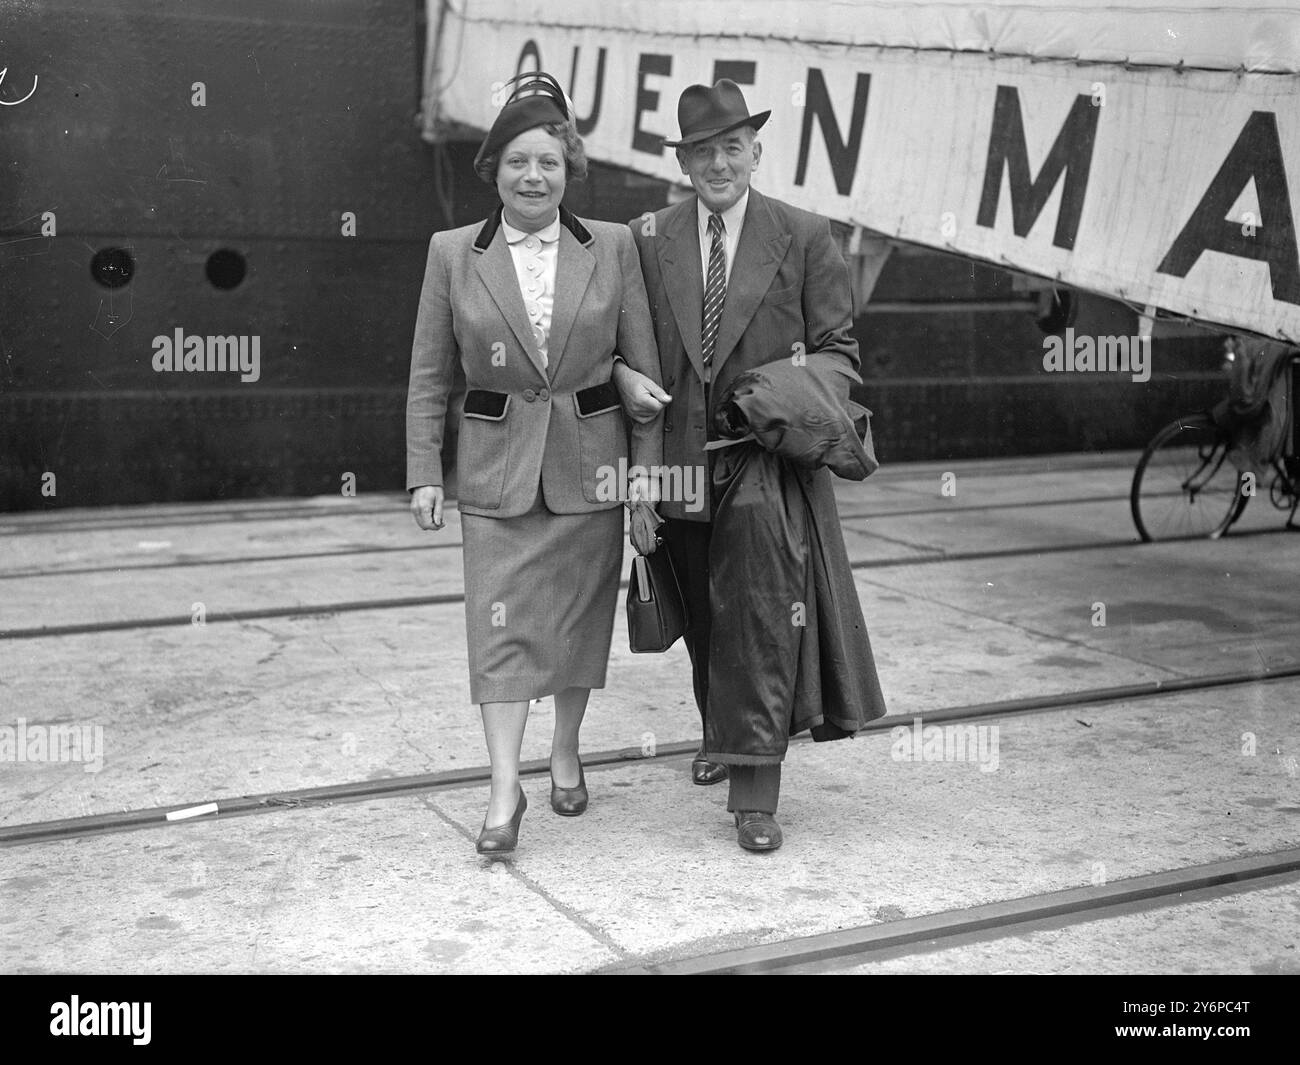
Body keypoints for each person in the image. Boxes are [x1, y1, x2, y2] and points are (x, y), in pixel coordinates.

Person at [617, 79, 888, 853]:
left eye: (732, 146)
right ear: (683, 161)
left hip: (764, 466)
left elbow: (841, 356)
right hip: (676, 466)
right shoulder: (649, 238)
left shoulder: (804, 235)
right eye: (702, 149)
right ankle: (722, 730)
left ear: (756, 153)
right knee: (702, 614)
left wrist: (777, 397)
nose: (718, 162)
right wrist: (630, 428)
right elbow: (624, 351)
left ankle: (754, 793)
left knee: (760, 621)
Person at [406, 72, 663, 854]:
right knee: (501, 633)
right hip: (493, 473)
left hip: (591, 466)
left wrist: (646, 469)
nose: (533, 177)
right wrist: (425, 468)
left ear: (568, 168)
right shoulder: (453, 252)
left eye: (548, 162)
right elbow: (429, 373)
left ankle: (565, 747)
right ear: (495, 169)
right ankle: (502, 789)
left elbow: (641, 363)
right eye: (518, 161)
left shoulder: (612, 245)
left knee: (579, 628)